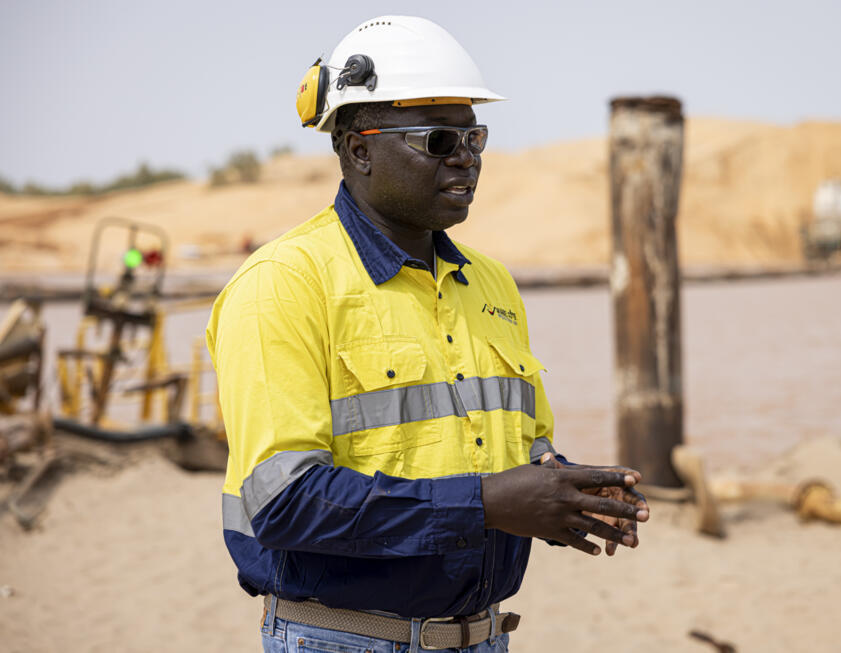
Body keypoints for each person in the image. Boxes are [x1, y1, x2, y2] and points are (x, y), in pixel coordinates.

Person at [207, 16, 649, 653]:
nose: (465, 157)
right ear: (359, 149)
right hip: (343, 640)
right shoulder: (284, 283)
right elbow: (284, 502)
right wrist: (487, 504)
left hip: (482, 637)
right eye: (439, 139)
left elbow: (519, 454)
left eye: (475, 135)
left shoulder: (490, 283)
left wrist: (567, 493)